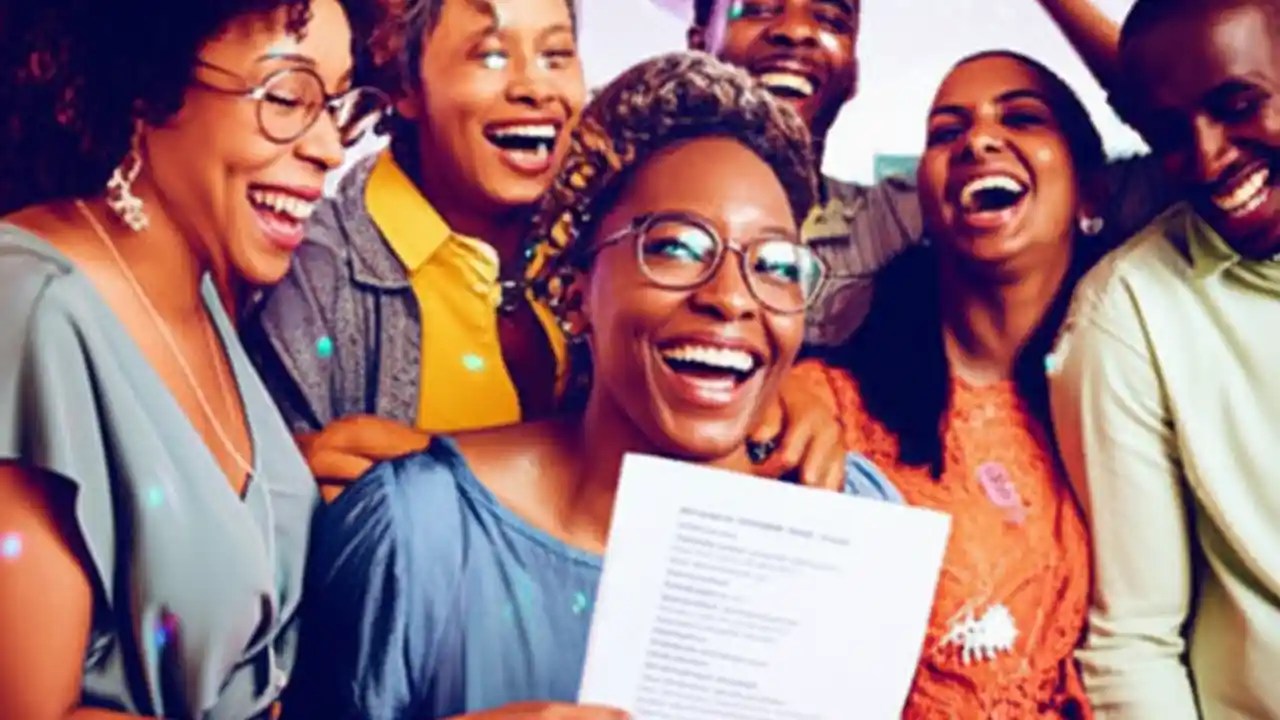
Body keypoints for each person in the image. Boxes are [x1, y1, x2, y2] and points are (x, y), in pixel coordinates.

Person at [281, 51, 902, 720]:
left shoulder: (854, 522)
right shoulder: (418, 537)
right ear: (577, 295)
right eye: (675, 247)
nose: (731, 299)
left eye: (775, 263)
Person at [0, 0, 386, 716]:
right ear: (150, 84)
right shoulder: (29, 308)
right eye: (288, 97)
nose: (330, 147)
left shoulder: (201, 293)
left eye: (337, 106)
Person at [795, 50, 1113, 717]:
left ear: (1092, 190)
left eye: (1022, 118)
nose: (979, 140)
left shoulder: (1128, 386)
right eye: (947, 132)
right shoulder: (826, 406)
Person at [684, 0, 1177, 346]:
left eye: (831, 18)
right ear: (697, 44)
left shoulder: (886, 221)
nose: (796, 31)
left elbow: (1191, 131)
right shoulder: (618, 189)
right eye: (759, 8)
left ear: (852, 72)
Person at [241, 0, 586, 492]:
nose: (535, 88)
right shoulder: (313, 276)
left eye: (557, 55)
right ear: (407, 83)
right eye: (489, 56)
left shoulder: (605, 251)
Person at [1048, 0, 1280, 717]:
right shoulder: (1126, 312)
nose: (1208, 158)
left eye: (1238, 105)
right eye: (1169, 134)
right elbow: (1133, 645)